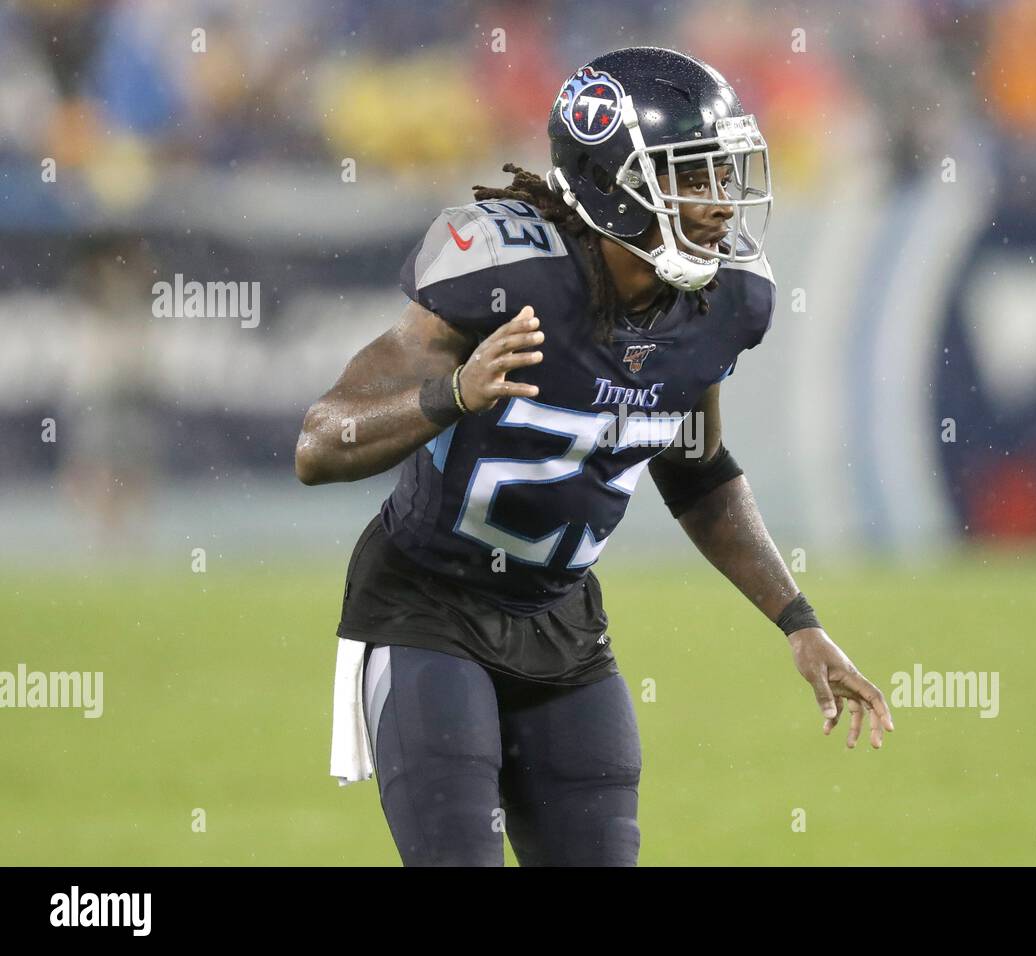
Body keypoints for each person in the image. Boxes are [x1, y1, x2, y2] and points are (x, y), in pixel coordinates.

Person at [296, 46, 893, 867]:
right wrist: (453, 395)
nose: (721, 202)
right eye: (692, 176)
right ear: (616, 187)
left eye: (724, 173)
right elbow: (320, 443)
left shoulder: (724, 301)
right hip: (426, 610)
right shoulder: (509, 274)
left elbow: (696, 470)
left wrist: (799, 622)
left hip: (564, 626)